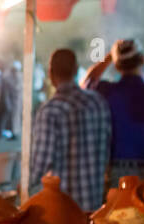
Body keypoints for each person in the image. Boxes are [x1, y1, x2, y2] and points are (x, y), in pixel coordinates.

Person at [29, 48, 112, 212]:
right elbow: (106, 150)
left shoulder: (51, 110)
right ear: (76, 70)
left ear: (50, 74)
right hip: (94, 205)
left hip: (64, 209)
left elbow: (40, 163)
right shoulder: (98, 103)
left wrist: (25, 186)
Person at [82, 38, 144, 182]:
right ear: (142, 60)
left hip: (114, 171)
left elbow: (87, 83)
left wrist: (109, 57)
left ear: (116, 66)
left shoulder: (106, 92)